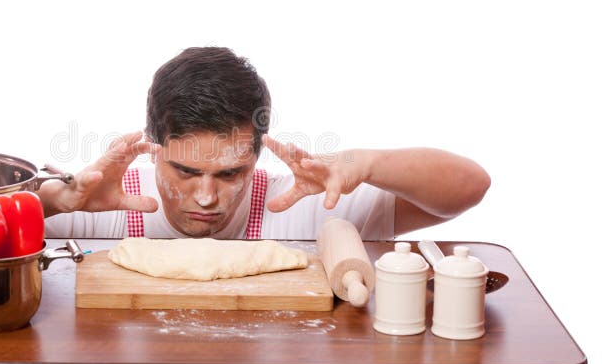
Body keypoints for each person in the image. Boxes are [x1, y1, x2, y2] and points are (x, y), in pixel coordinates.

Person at [39, 47, 490, 240]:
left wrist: (368, 162)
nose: (207, 196)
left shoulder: (299, 207)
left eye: (230, 173)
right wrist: (54, 202)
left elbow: (470, 186)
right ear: (152, 149)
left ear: (257, 157)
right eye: (187, 171)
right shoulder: (104, 204)